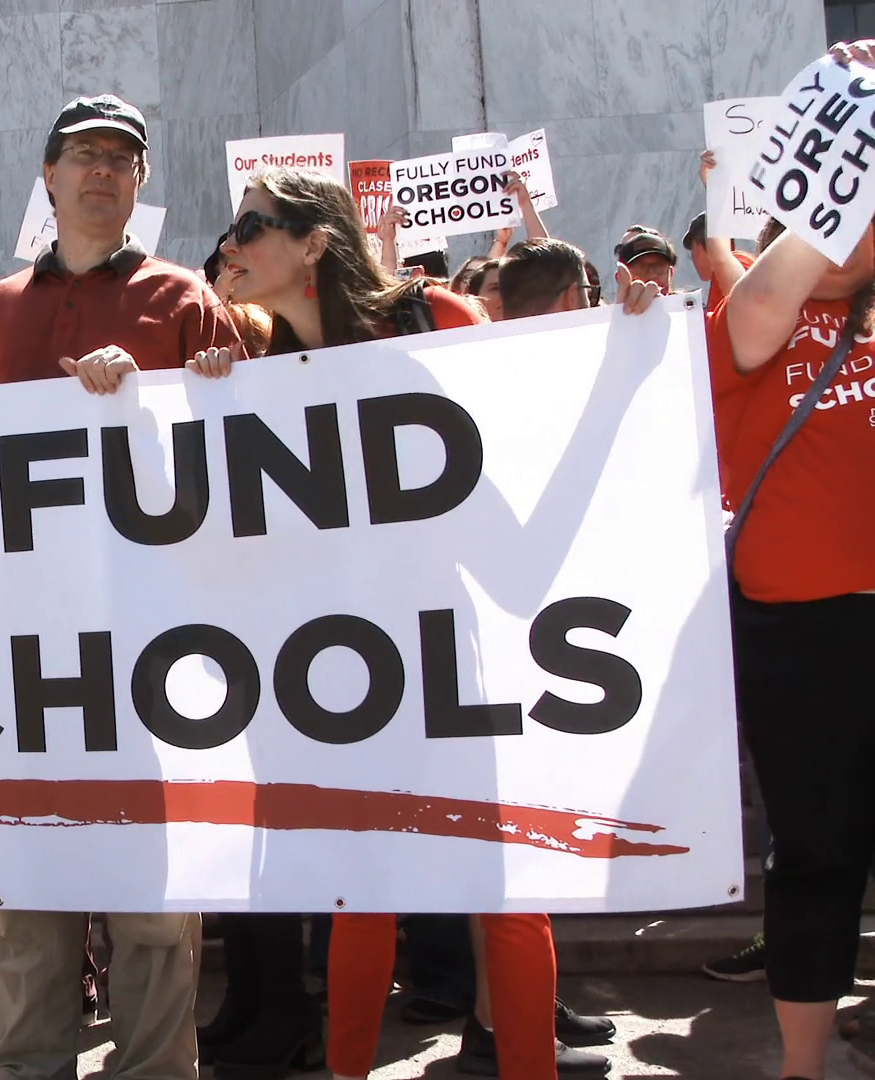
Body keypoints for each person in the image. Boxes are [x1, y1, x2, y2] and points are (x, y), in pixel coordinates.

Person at [218, 165, 653, 1080]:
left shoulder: (436, 325)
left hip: (450, 655)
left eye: (252, 226)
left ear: (314, 244)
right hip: (333, 672)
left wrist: (619, 366)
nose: (232, 243)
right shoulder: (251, 373)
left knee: (502, 894)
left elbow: (521, 476)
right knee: (360, 897)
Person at [0, 92, 239, 1080]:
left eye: (122, 157)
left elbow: (243, 460)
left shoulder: (186, 302)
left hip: (148, 665)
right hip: (19, 670)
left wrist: (187, 388)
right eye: (84, 155)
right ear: (50, 176)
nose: (103, 172)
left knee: (154, 918)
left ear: (140, 181)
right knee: (24, 916)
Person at [716, 36, 875, 1070]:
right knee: (817, 854)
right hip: (801, 627)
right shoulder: (744, 325)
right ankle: (804, 1066)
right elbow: (767, 304)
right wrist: (850, 137)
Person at [616, 226, 677, 293]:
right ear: (621, 277)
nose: (652, 275)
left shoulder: (684, 301)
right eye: (640, 267)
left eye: (659, 266)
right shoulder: (618, 302)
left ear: (670, 273)